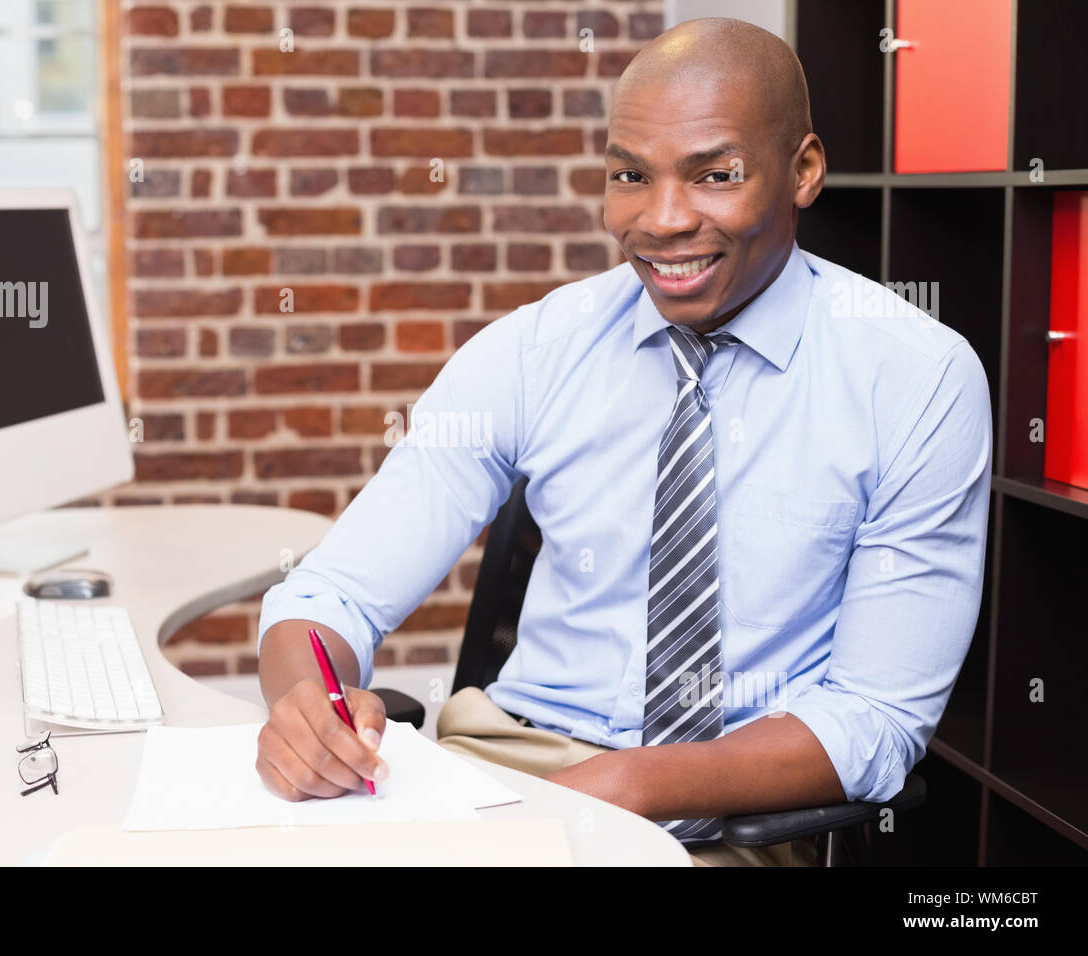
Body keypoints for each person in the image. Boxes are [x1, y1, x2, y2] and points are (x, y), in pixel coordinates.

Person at [252, 17, 992, 867]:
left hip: (731, 814)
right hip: (508, 771)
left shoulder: (916, 378)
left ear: (804, 171)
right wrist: (307, 706)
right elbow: (333, 594)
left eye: (716, 175)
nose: (662, 220)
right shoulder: (535, 348)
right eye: (629, 176)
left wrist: (628, 788)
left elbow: (876, 717)